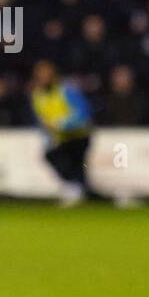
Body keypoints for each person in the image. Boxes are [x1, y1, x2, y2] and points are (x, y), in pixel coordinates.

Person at [30, 59, 99, 205]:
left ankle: (79, 191)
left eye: (46, 73)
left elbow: (83, 114)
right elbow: (42, 120)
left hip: (79, 136)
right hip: (61, 139)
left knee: (74, 165)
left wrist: (61, 123)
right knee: (54, 157)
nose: (43, 77)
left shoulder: (66, 90)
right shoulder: (37, 96)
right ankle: (81, 191)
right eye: (40, 74)